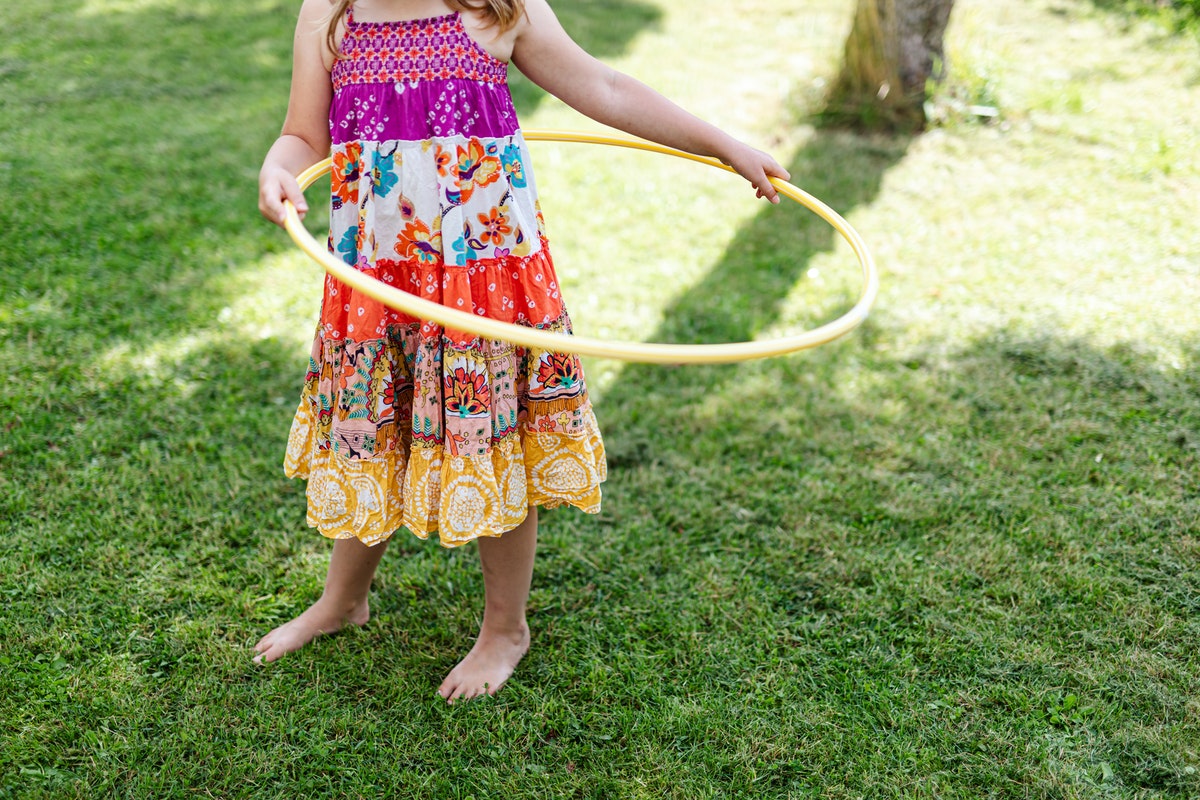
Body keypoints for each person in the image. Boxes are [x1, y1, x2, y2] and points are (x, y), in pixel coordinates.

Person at [255, 0, 789, 703]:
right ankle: (341, 602)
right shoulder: (332, 13)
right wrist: (278, 168)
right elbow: (302, 134)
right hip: (382, 274)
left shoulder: (493, 7)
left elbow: (604, 88)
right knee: (371, 433)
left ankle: (505, 629)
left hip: (484, 278)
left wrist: (721, 144)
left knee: (490, 437)